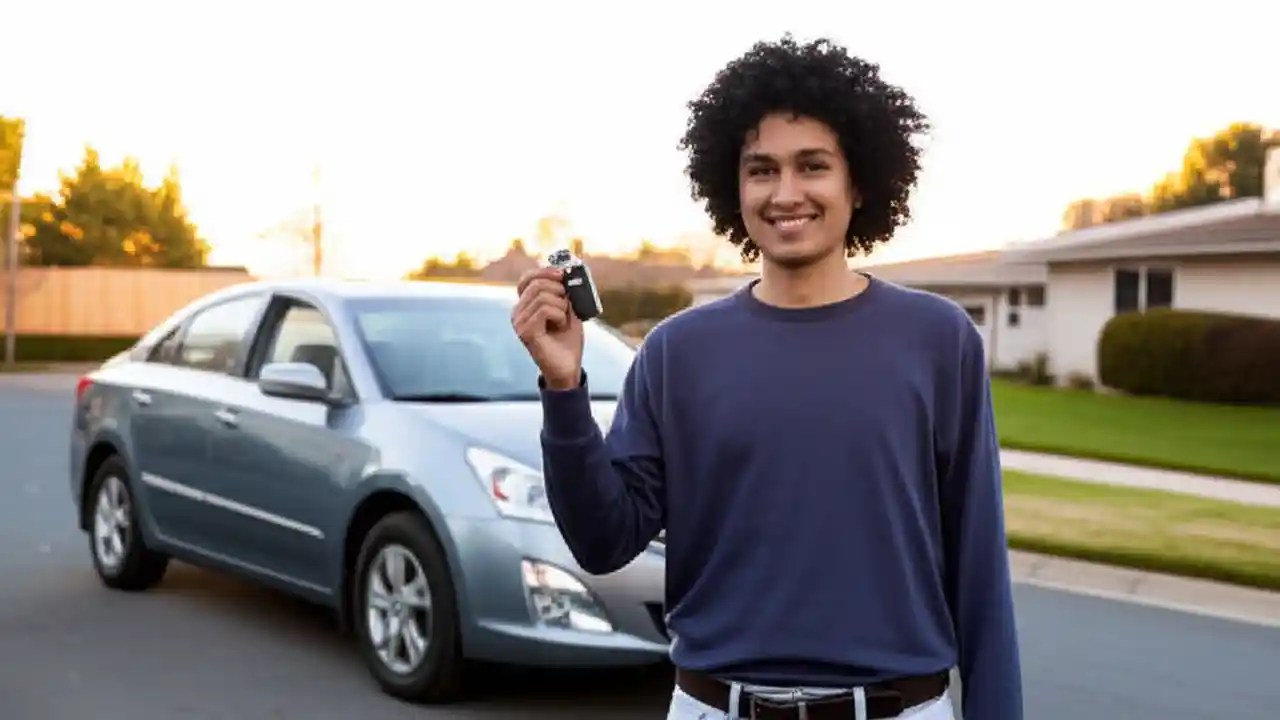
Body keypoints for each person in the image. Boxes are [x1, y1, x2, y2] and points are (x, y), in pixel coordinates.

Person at [511, 34, 1022, 720]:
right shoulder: (675, 352)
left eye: (812, 166)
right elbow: (604, 542)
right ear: (735, 186)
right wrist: (565, 389)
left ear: (858, 181)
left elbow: (980, 574)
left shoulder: (937, 340)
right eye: (761, 170)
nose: (786, 194)